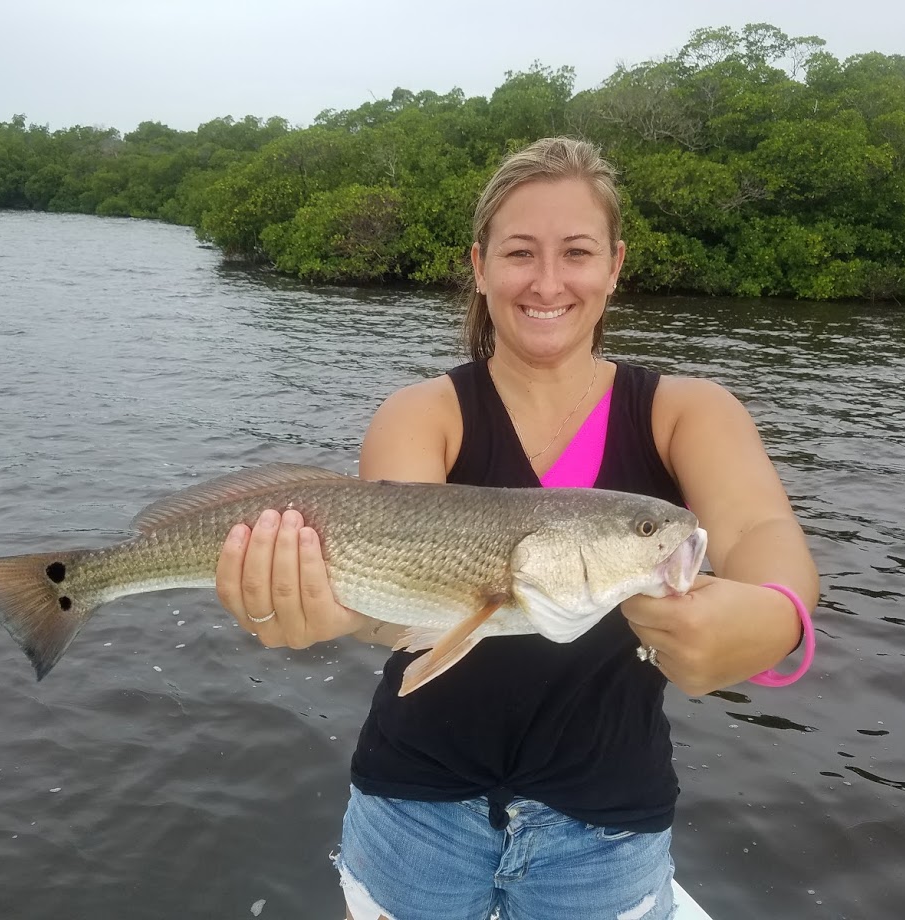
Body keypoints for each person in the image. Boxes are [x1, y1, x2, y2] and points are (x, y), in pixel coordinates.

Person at [215, 137, 819, 920]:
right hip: (414, 813)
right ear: (479, 265)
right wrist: (318, 607)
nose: (546, 282)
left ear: (614, 265)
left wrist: (773, 613)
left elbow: (759, 528)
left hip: (606, 826)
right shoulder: (421, 413)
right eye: (519, 253)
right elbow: (394, 601)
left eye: (576, 252)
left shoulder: (686, 411)